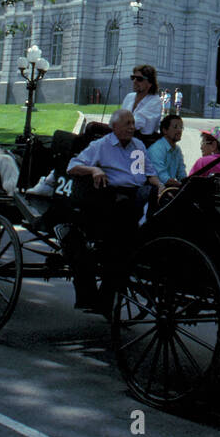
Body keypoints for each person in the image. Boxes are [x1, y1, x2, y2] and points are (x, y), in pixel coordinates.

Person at [64, 108, 163, 311]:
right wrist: (94, 169)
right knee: (119, 241)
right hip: (112, 198)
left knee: (160, 204)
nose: (132, 127)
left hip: (136, 194)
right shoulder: (100, 146)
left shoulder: (138, 146)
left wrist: (161, 186)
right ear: (114, 127)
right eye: (127, 124)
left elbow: (148, 174)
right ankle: (101, 294)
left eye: (133, 123)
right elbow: (72, 166)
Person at [121, 64, 162, 137]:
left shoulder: (155, 101)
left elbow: (137, 123)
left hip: (143, 142)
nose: (134, 81)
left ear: (150, 83)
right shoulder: (129, 97)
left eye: (139, 79)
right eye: (133, 78)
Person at [146, 113, 186, 187]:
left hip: (169, 188)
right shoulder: (157, 149)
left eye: (181, 127)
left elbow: (182, 174)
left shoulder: (177, 150)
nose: (179, 130)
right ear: (165, 130)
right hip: (157, 190)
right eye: (175, 127)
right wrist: (181, 184)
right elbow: (163, 178)